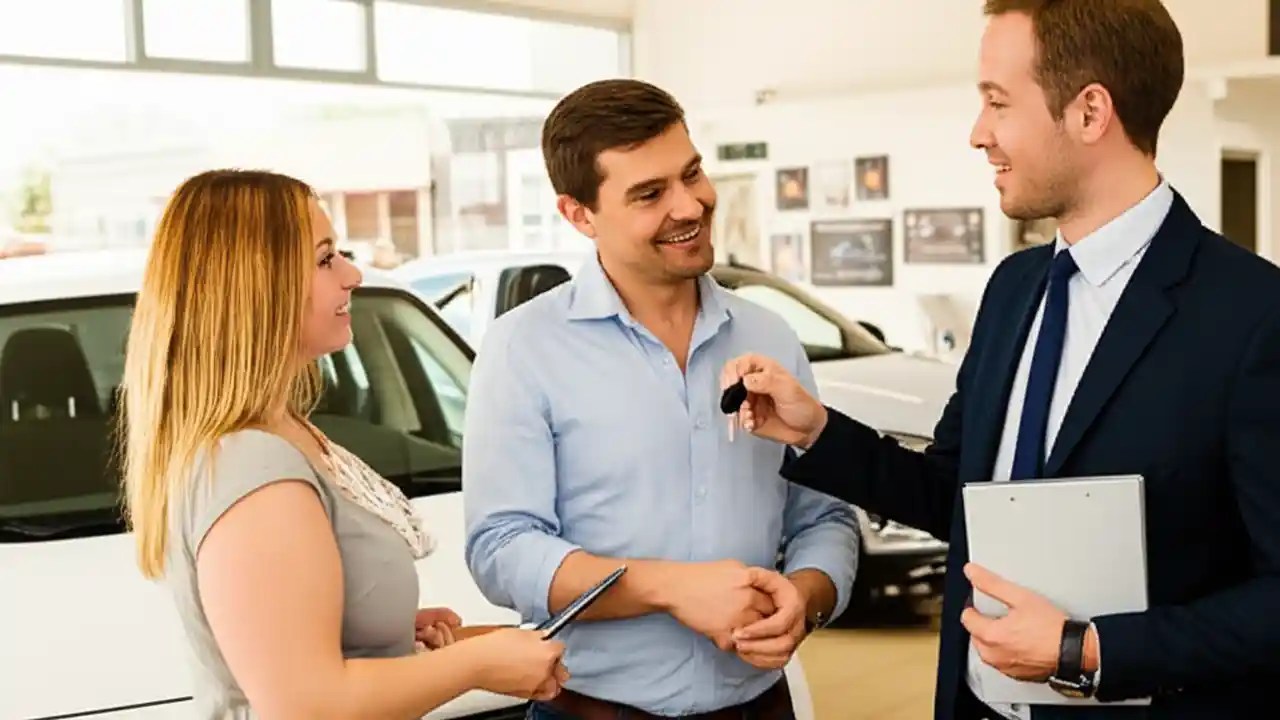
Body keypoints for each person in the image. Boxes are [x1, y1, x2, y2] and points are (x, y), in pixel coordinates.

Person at [722, 1, 1280, 718]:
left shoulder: (1254, 315)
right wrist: (815, 430)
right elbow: (956, 493)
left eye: (996, 102)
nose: (977, 133)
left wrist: (1094, 650)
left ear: (1089, 113)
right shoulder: (1015, 290)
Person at [462, 79, 859, 719]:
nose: (691, 206)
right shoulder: (521, 349)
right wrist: (671, 589)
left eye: (692, 174)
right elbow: (502, 548)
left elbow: (823, 519)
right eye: (650, 194)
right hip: (592, 710)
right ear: (579, 215)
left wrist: (803, 599)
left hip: (760, 706)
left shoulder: (771, 335)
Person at [118, 169, 567, 719]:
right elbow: (309, 707)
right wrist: (474, 665)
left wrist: (389, 640)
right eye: (325, 258)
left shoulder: (282, 433)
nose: (352, 275)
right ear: (258, 284)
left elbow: (306, 649)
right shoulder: (250, 463)